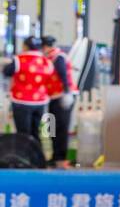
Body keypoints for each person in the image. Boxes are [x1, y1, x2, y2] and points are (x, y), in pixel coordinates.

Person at [4, 36, 55, 146]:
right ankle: (37, 158)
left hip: (21, 101)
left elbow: (6, 72)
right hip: (40, 102)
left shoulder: (19, 60)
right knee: (35, 132)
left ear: (25, 46)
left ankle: (24, 159)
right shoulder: (46, 61)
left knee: (23, 133)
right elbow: (51, 77)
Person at [41, 35, 76, 168]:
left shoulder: (58, 57)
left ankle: (61, 158)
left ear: (45, 46)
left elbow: (62, 74)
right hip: (54, 97)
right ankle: (55, 156)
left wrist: (67, 92)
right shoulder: (49, 58)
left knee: (61, 128)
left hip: (63, 97)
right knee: (52, 128)